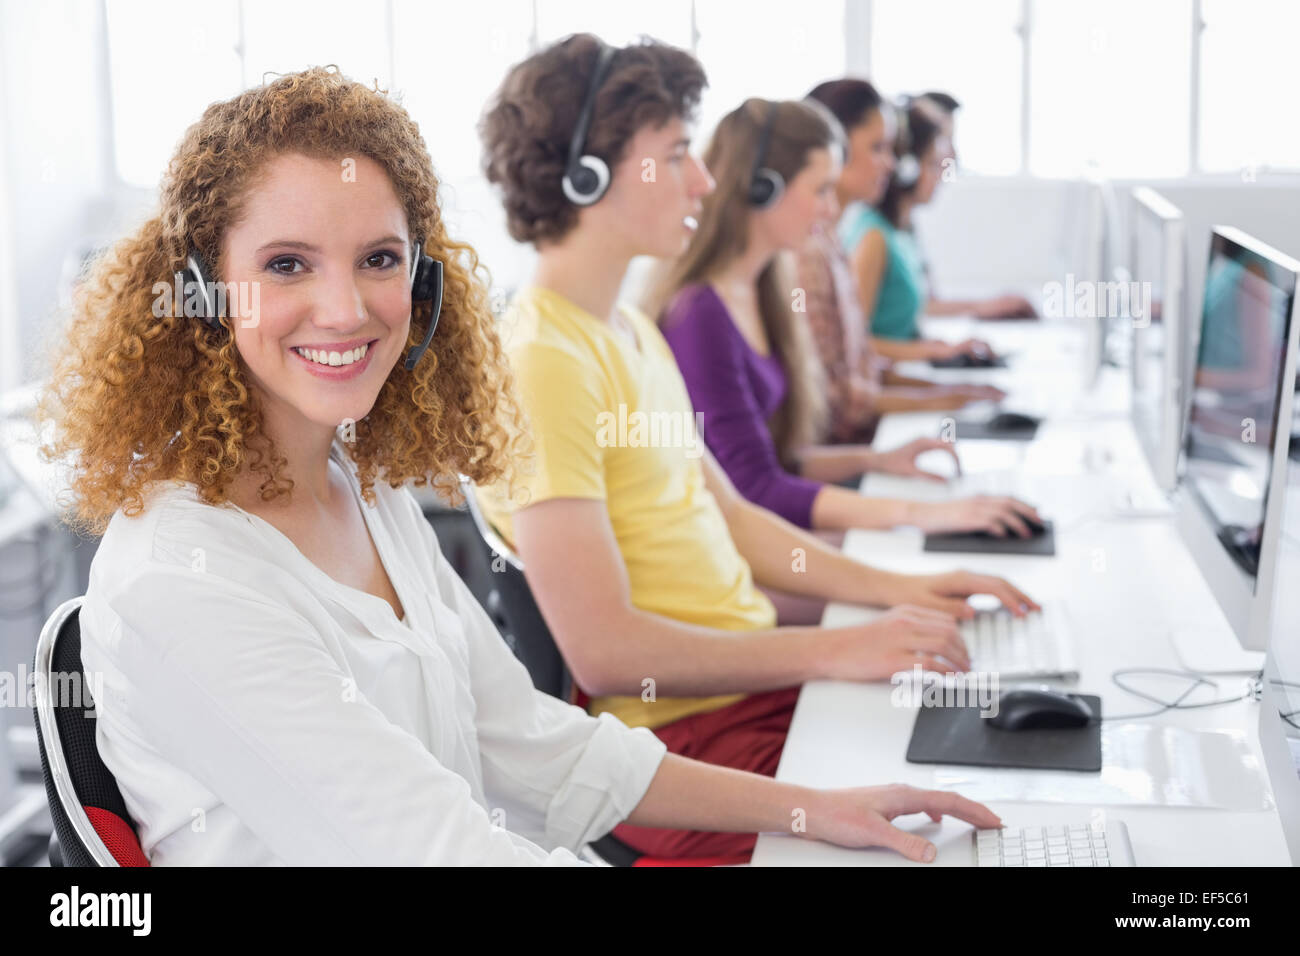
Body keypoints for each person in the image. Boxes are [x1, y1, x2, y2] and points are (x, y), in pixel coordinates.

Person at [38, 66, 1001, 866]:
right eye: (287, 264)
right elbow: (437, 851)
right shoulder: (183, 581)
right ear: (205, 291)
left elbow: (533, 742)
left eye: (379, 259)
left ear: (420, 280)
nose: (345, 308)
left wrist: (809, 808)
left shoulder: (364, 493)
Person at [476, 35, 1031, 861]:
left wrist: (902, 588)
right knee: (963, 831)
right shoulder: (542, 363)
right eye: (675, 156)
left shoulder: (623, 326)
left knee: (993, 759)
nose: (704, 180)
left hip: (756, 695)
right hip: (687, 746)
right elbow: (606, 650)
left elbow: (734, 515)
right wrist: (837, 644)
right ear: (589, 173)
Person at [649, 97, 1042, 539]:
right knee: (917, 559)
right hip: (736, 551)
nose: (831, 210)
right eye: (820, 191)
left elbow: (778, 458)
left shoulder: (766, 290)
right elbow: (754, 491)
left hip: (768, 532)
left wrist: (877, 460)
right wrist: (917, 513)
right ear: (762, 189)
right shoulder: (699, 316)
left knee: (923, 551)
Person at [799, 78, 1006, 446]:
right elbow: (842, 394)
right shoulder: (820, 251)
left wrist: (944, 385)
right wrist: (944, 394)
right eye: (877, 148)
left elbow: (857, 360)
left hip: (854, 439)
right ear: (834, 150)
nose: (891, 164)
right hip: (842, 448)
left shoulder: (833, 242)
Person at [909, 91, 1037, 322]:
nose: (951, 155)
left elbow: (922, 303)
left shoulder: (905, 226)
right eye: (944, 139)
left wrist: (982, 306)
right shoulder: (877, 232)